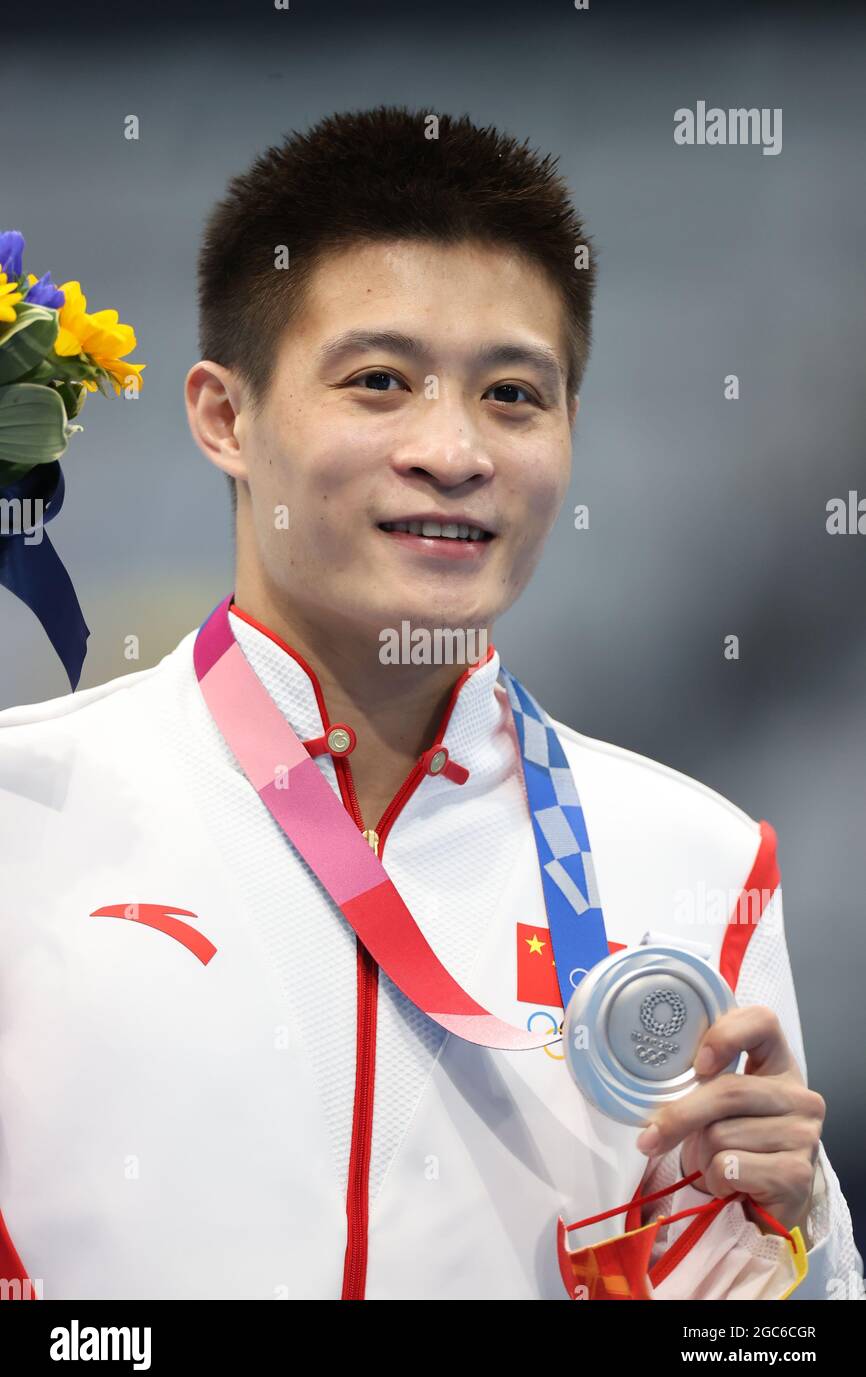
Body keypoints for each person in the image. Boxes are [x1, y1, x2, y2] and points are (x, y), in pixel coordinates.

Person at [0, 105, 861, 1301]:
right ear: (223, 415)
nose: (454, 450)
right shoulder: (21, 814)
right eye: (378, 380)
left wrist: (795, 1236)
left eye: (513, 394)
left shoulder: (701, 864)